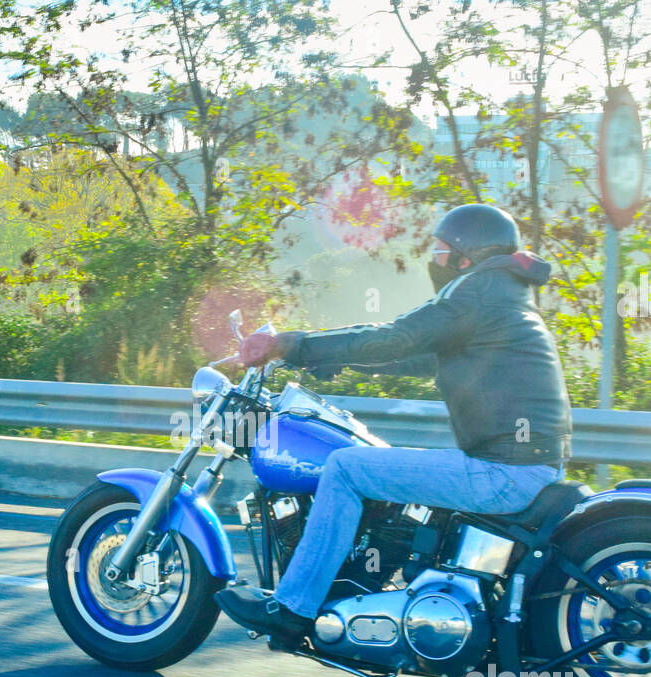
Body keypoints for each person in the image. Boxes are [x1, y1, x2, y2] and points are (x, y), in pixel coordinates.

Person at [214, 203, 572, 647]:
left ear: (466, 256)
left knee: (346, 468)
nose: (434, 260)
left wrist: (288, 345)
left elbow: (396, 337)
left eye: (441, 250)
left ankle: (292, 610)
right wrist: (335, 358)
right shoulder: (504, 295)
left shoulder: (476, 293)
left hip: (503, 473)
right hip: (526, 468)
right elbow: (421, 356)